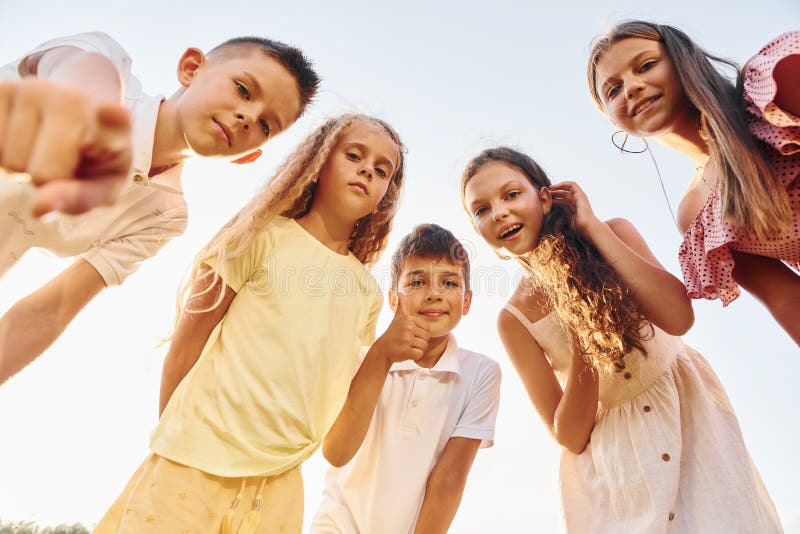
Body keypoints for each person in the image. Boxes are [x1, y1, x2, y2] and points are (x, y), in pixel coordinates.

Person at [93, 113, 405, 533]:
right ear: (318, 162)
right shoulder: (259, 235)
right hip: (192, 460)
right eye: (354, 155)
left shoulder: (367, 293)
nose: (368, 170)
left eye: (382, 170)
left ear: (385, 196)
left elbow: (335, 400)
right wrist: (178, 440)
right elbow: (187, 343)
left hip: (279, 483)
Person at [461, 146, 782, 532]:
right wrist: (582, 327)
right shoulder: (514, 319)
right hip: (618, 467)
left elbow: (679, 317)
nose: (499, 212)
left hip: (692, 426)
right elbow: (570, 436)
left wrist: (593, 228)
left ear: (544, 198)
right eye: (481, 210)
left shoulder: (614, 233)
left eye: (512, 194)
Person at [0, 32, 319, 384]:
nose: (248, 116)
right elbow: (81, 69)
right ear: (191, 68)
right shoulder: (109, 65)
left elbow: (50, 311)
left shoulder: (165, 217)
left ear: (248, 157)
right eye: (243, 90)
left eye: (265, 125)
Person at [587, 22, 800, 343]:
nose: (631, 87)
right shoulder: (697, 215)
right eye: (613, 90)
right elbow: (787, 299)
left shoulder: (770, 93)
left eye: (646, 65)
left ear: (683, 60)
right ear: (612, 120)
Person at [312, 223, 501, 533]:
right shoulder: (361, 358)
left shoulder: (481, 374)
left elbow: (449, 480)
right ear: (393, 299)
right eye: (417, 281)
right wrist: (381, 356)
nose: (434, 294)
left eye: (449, 282)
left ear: (466, 302)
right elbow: (336, 452)